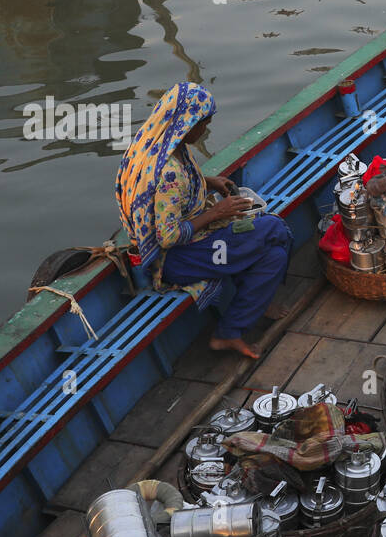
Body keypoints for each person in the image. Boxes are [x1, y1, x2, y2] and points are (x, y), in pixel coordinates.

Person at [115, 82, 293, 359]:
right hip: (176, 258)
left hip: (194, 240)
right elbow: (168, 237)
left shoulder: (152, 145)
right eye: (203, 124)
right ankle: (235, 325)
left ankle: (233, 329)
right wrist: (217, 212)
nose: (205, 130)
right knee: (274, 228)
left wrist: (207, 182)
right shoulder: (168, 173)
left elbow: (169, 196)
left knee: (275, 257)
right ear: (187, 123)